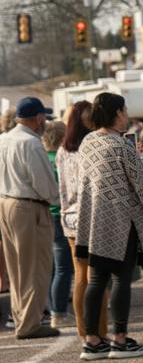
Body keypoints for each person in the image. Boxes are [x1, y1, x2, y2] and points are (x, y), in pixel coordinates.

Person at [73, 93, 143, 358]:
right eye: (125, 110)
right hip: (122, 220)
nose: (127, 114)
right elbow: (142, 183)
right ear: (118, 113)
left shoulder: (88, 142)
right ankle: (120, 339)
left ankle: (92, 339)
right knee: (121, 279)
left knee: (96, 280)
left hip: (94, 219)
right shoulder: (121, 145)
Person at [0, 97, 61, 339]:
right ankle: (30, 323)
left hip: (6, 202)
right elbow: (43, 183)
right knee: (35, 267)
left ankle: (20, 318)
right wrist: (56, 200)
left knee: (16, 268)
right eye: (43, 117)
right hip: (28, 206)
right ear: (37, 118)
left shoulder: (4, 139)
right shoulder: (31, 143)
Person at [57, 100, 107, 342]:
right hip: (91, 213)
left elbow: (62, 187)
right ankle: (100, 330)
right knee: (98, 275)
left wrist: (65, 208)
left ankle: (84, 330)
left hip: (69, 216)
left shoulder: (62, 149)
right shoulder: (92, 145)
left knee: (80, 275)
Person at [44, 120, 73, 328]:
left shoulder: (43, 158)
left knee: (51, 267)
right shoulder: (61, 159)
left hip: (43, 215)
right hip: (59, 215)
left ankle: (54, 307)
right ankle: (58, 312)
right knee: (63, 267)